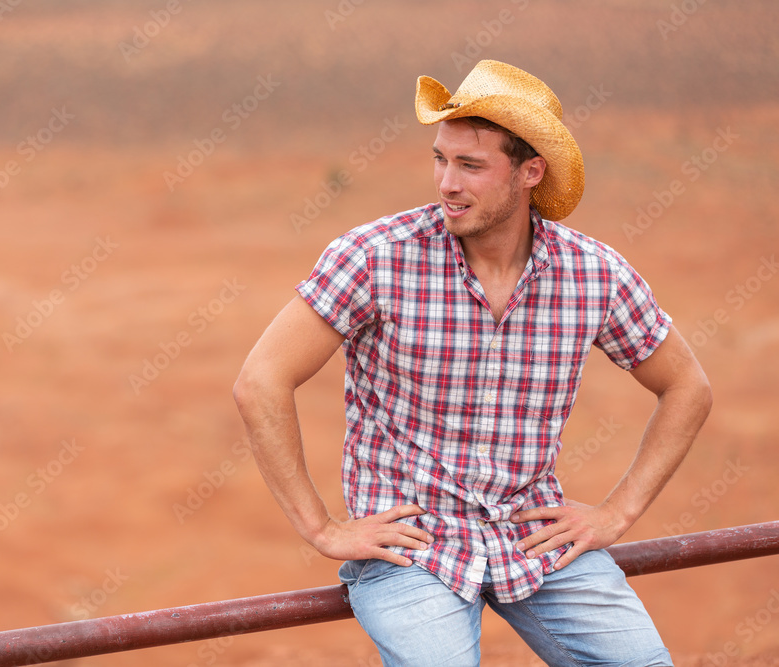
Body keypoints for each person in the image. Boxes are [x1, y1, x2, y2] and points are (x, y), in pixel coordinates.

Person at [232, 59, 712, 666]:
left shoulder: (593, 274)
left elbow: (688, 387)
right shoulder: (378, 258)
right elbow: (260, 381)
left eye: (471, 165)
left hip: (533, 535)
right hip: (411, 547)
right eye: (440, 159)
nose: (447, 183)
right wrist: (322, 528)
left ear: (530, 172)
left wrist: (619, 512)